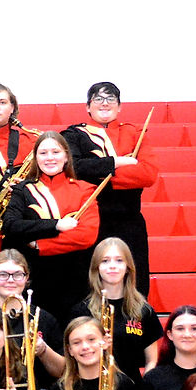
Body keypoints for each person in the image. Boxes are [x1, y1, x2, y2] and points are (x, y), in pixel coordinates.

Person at [62, 82, 159, 296]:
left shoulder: (134, 133)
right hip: (89, 220)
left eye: (110, 99)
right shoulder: (73, 135)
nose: (104, 103)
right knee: (87, 281)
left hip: (128, 219)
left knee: (135, 280)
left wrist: (98, 174)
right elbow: (74, 168)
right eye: (98, 99)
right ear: (88, 106)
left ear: (119, 106)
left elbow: (148, 174)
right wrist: (118, 162)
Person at [1, 131, 100, 323]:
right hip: (35, 277)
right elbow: (11, 226)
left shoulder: (84, 189)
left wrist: (39, 244)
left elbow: (87, 236)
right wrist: (56, 225)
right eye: (43, 153)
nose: (50, 158)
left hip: (74, 276)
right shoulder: (23, 189)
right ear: (35, 158)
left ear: (66, 156)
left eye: (55, 152)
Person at [70, 237, 162, 385]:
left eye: (119, 260)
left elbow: (152, 361)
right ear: (96, 268)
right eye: (105, 261)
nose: (112, 266)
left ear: (128, 267)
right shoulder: (81, 310)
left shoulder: (143, 310)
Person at [0, 249, 64, 390]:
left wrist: (43, 350)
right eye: (2, 274)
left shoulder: (43, 319)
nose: (10, 280)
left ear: (26, 278)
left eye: (17, 275)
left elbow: (63, 372)